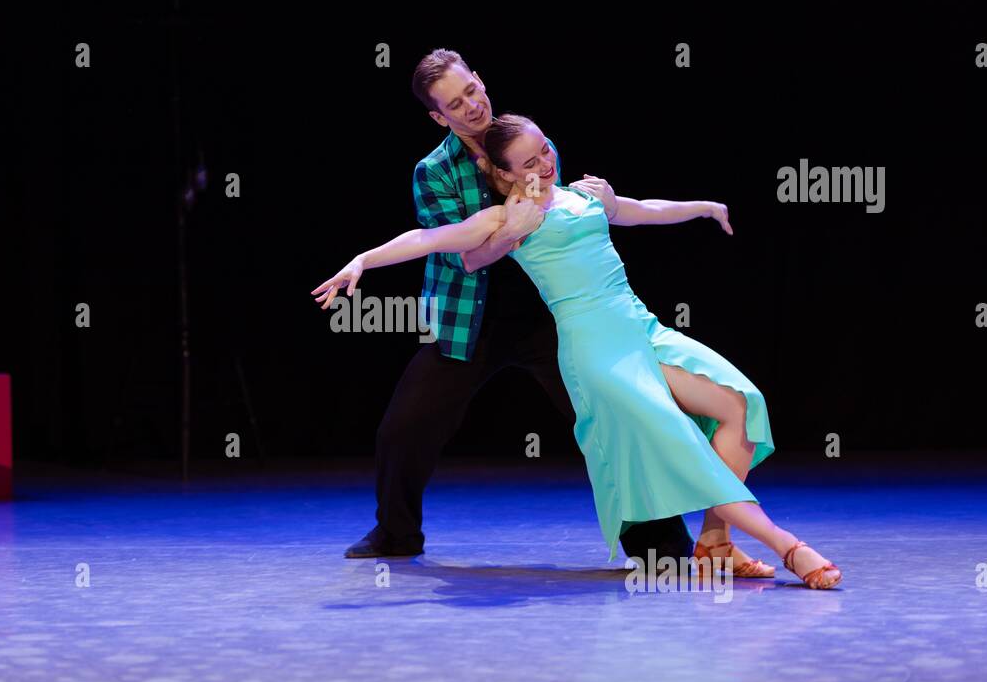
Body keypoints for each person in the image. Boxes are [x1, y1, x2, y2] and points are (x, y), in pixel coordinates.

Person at [315, 113, 841, 589]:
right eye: (528, 161)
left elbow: (640, 211)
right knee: (680, 444)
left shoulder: (584, 196)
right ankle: (786, 545)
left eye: (545, 148)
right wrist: (361, 260)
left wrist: (703, 207)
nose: (545, 162)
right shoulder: (508, 219)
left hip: (641, 328)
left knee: (741, 406)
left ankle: (715, 543)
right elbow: (429, 239)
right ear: (503, 175)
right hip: (595, 351)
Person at [343, 48, 693, 564]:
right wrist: (509, 234)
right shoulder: (434, 171)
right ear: (438, 116)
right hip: (469, 319)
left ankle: (658, 542)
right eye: (453, 105)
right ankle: (397, 533)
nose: (470, 107)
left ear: (481, 81)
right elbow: (464, 257)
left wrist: (605, 202)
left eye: (471, 91)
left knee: (608, 418)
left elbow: (563, 212)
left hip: (549, 316)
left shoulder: (526, 139)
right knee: (403, 428)